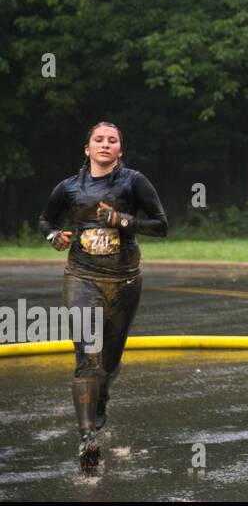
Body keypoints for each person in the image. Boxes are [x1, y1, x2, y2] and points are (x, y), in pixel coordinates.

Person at [38, 122, 168, 471]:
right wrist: (55, 237)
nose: (105, 145)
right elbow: (46, 221)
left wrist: (123, 220)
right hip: (81, 276)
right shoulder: (67, 188)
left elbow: (161, 225)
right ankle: (87, 438)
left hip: (125, 280)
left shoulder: (134, 182)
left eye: (113, 141)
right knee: (87, 359)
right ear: (88, 148)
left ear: (120, 150)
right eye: (99, 140)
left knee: (108, 365)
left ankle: (100, 403)